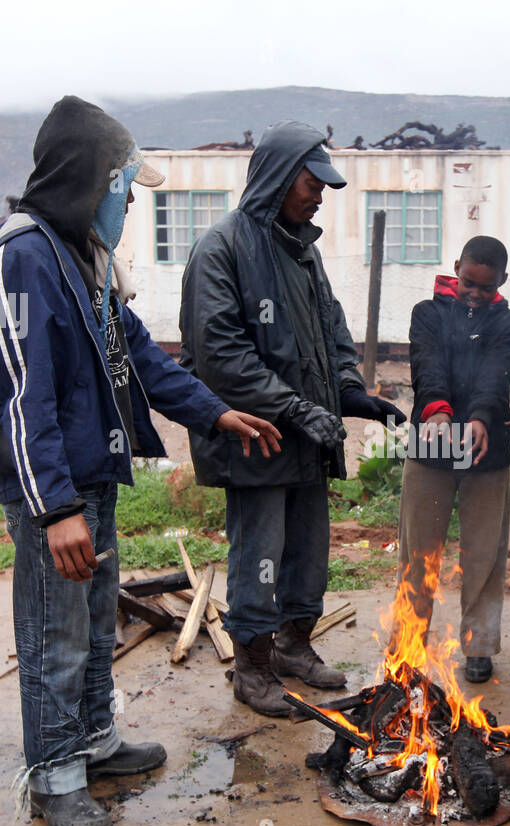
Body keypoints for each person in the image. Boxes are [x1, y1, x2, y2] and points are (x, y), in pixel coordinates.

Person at [0, 96, 279, 826]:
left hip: (91, 470)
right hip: (51, 488)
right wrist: (55, 509)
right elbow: (22, 397)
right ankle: (55, 776)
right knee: (54, 628)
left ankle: (95, 740)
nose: (130, 205)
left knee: (96, 616)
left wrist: (213, 411)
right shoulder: (21, 258)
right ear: (93, 184)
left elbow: (142, 357)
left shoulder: (85, 258)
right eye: (126, 188)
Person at [179, 121, 405, 717]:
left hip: (307, 437)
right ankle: (251, 668)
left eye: (324, 187)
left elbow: (331, 328)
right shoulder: (221, 248)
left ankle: (294, 646)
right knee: (261, 552)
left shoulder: (301, 249)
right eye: (312, 183)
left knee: (308, 548)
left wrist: (352, 393)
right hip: (258, 438)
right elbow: (221, 355)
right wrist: (298, 408)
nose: (319, 195)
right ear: (280, 178)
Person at [397, 236, 510, 684]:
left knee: (484, 552)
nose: (474, 293)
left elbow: (496, 373)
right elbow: (425, 363)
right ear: (456, 268)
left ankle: (480, 645)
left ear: (502, 283)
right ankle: (409, 640)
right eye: (468, 282)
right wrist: (438, 409)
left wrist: (479, 418)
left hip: (485, 445)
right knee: (419, 550)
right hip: (432, 439)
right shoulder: (427, 313)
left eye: (485, 289)